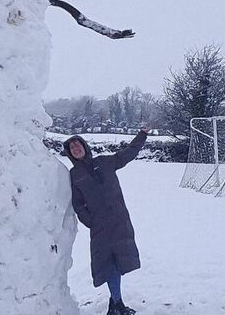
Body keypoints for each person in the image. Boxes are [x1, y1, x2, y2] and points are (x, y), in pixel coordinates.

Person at [64, 127, 149, 315]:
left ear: (84, 146)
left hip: (119, 221)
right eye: (72, 147)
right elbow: (78, 204)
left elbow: (128, 153)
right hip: (100, 228)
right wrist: (91, 221)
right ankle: (117, 304)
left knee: (119, 262)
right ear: (70, 153)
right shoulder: (74, 175)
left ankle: (115, 304)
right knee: (108, 264)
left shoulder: (104, 162)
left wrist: (142, 134)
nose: (76, 148)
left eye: (78, 144)